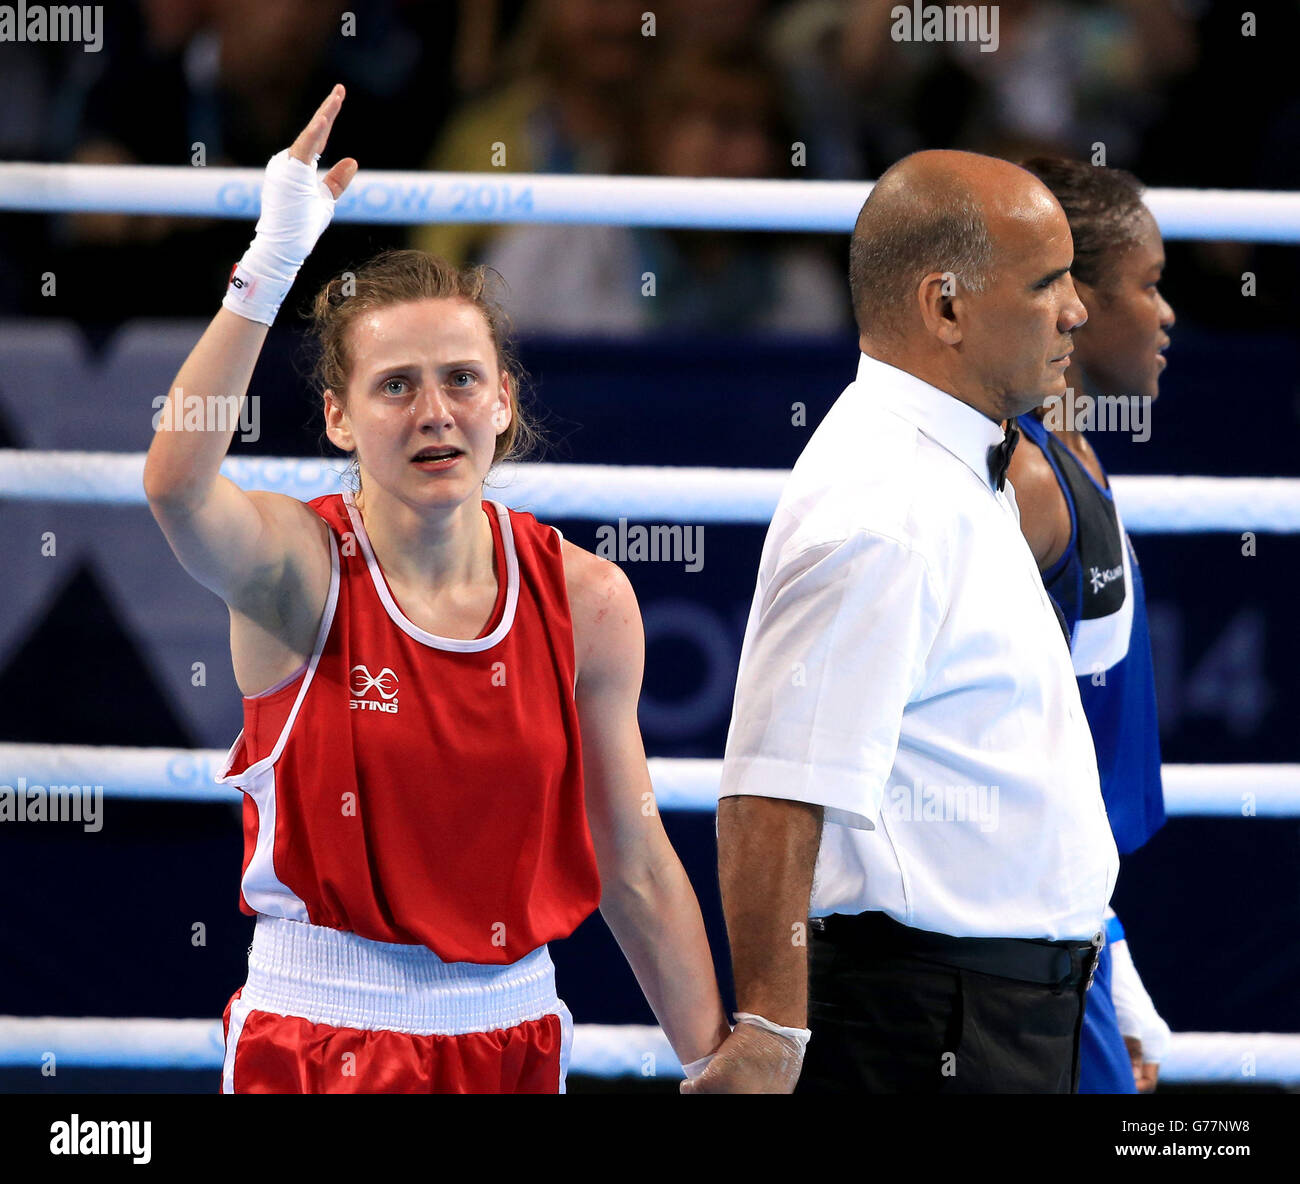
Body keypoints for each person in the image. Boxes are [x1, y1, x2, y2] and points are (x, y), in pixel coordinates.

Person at [143, 85, 731, 1093]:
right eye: (394, 384)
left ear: (503, 400)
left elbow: (632, 855)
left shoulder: (586, 598)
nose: (434, 412)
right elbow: (175, 483)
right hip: (321, 1038)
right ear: (337, 417)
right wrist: (270, 264)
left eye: (461, 378)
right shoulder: (299, 571)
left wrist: (715, 1064)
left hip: (515, 1034)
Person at [686, 149, 1118, 1094]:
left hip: (990, 1012)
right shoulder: (883, 503)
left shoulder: (955, 461)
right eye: (1046, 282)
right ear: (946, 308)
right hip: (927, 1027)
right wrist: (770, 1031)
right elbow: (772, 790)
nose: (1077, 309)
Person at [1008, 156, 1176, 1094]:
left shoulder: (1075, 457)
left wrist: (1115, 955)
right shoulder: (1028, 482)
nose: (1167, 313)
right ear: (1074, 297)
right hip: (1026, 940)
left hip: (1072, 917)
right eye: (1147, 286)